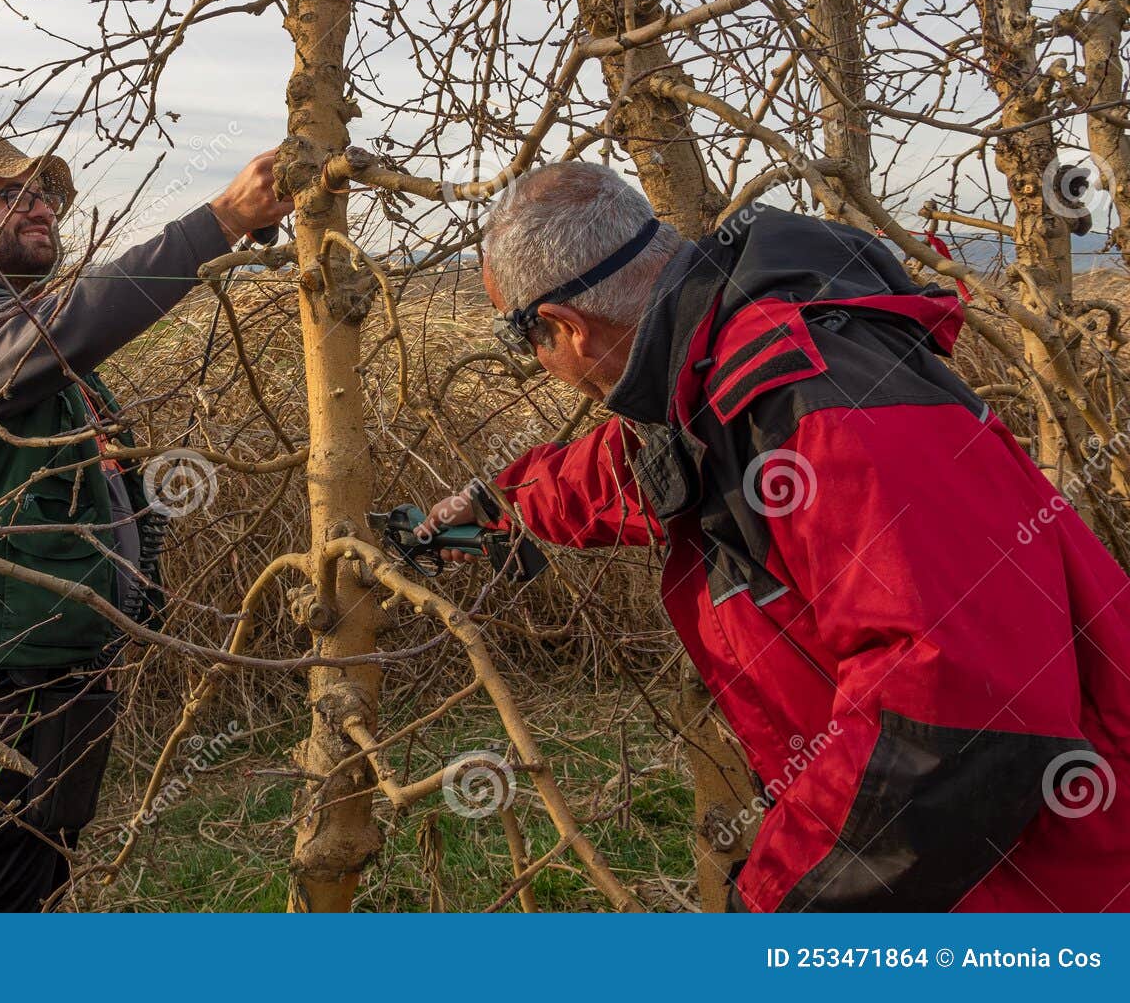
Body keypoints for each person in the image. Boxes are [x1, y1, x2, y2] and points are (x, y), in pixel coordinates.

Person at [422, 159, 1130, 912]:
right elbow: (646, 467)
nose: (534, 361)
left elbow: (955, 711)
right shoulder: (729, 362)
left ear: (564, 327)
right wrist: (493, 510)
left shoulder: (823, 404)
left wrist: (775, 907)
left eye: (521, 336)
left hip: (1054, 882)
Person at [0, 128, 290, 911]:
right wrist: (220, 221)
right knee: (1, 884)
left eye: (49, 195)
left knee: (31, 869)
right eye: (15, 195)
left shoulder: (13, 327)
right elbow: (81, 320)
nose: (44, 208)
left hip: (50, 648)